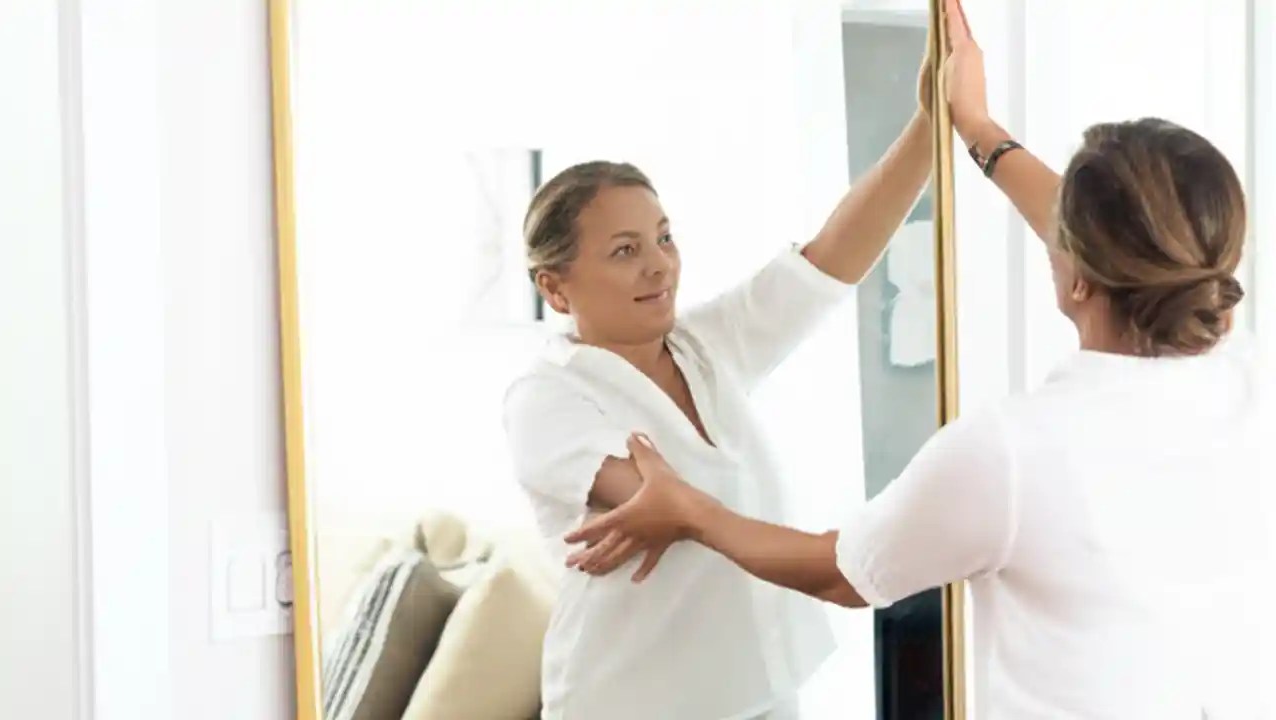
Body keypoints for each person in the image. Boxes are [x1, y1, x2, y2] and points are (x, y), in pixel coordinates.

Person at [564, 0, 1273, 717]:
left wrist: (692, 511)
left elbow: (838, 572)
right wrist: (978, 130)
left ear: (1080, 271)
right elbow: (1135, 245)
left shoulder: (1013, 451)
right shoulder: (1245, 375)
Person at [500, 35, 937, 720]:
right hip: (628, 704)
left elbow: (830, 260)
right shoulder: (547, 397)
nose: (660, 266)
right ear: (556, 289)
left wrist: (929, 125)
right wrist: (671, 506)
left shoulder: (705, 347)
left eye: (664, 238)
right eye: (625, 251)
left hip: (756, 691)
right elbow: (658, 502)